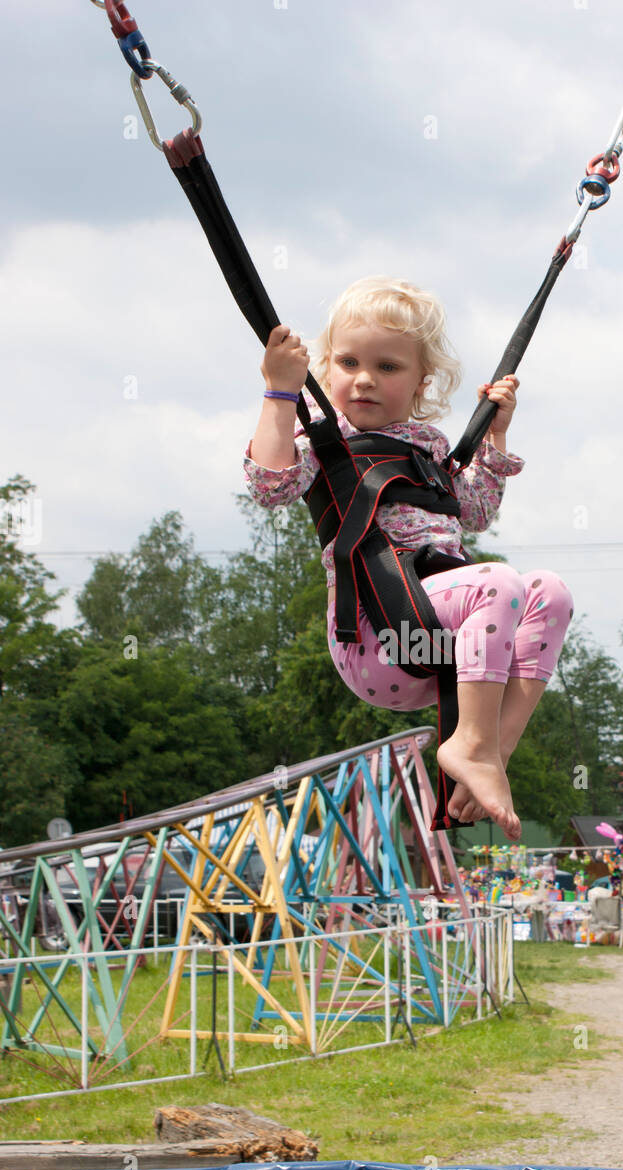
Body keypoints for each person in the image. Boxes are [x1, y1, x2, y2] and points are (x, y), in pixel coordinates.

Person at [243, 278, 574, 840]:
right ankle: (471, 744)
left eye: (388, 367)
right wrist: (280, 393)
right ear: (324, 367)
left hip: (446, 640)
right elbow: (270, 486)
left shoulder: (430, 445)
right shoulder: (323, 439)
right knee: (500, 581)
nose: (365, 378)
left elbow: (474, 509)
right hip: (378, 637)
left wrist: (493, 438)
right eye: (348, 362)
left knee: (550, 591)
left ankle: (488, 753)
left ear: (422, 382)